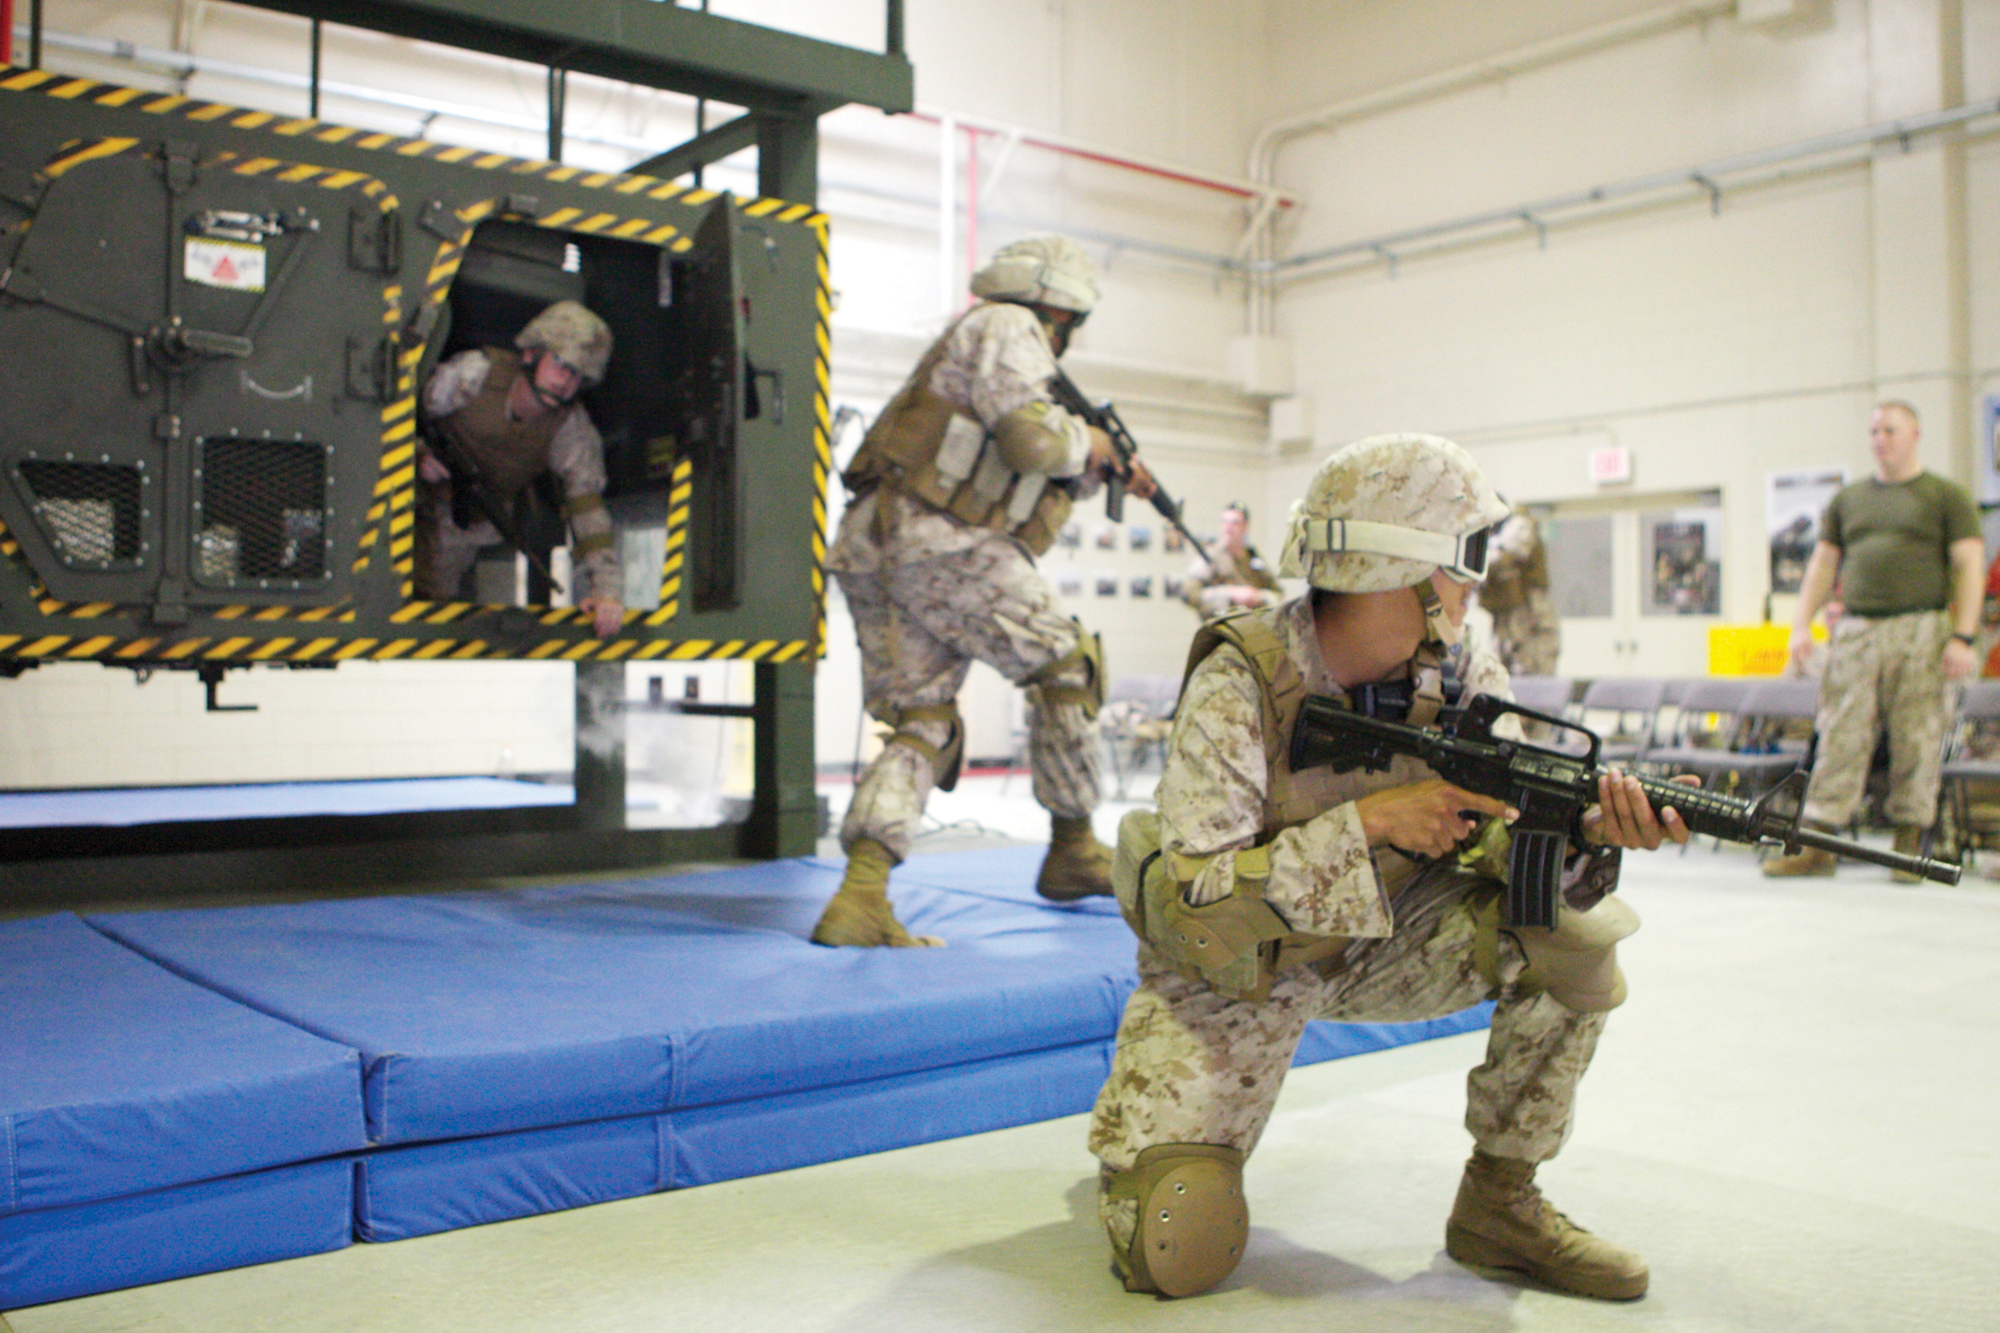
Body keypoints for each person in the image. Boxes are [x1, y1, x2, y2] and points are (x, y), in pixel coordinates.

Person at [1087, 434, 1696, 1303]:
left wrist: (1581, 831)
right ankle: (1139, 1158)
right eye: (1464, 561)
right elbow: (1194, 908)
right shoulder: (1242, 679)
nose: (1474, 586)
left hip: (1390, 936)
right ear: (1399, 573)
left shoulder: (1462, 666)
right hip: (1237, 971)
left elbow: (1502, 838)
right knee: (1176, 1248)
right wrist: (1369, 823)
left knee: (1572, 935)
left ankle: (1501, 1201)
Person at [815, 236, 1156, 948]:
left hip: (877, 541)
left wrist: (1100, 469)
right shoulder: (1007, 324)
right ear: (1058, 302)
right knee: (1066, 663)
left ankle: (861, 894)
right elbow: (1032, 441)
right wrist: (1090, 444)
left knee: (923, 721)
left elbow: (1010, 462)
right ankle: (1071, 845)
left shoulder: (977, 341)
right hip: (938, 539)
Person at [1763, 401, 1982, 879]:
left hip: (1921, 629)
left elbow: (1969, 565)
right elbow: (1823, 564)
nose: (1881, 438)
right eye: (1874, 431)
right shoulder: (1850, 500)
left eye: (1890, 429)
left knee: (1917, 736)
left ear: (1915, 433)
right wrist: (1801, 626)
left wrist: (1963, 636)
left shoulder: (1945, 496)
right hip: (1857, 631)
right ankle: (1817, 844)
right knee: (1839, 733)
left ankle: (1908, 846)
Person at [415, 300, 625, 640]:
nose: (567, 382)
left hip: (459, 526)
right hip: (398, 492)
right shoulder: (475, 374)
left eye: (579, 376)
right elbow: (393, 412)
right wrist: (416, 455)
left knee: (429, 610)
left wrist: (607, 593)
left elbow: (588, 513)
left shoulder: (571, 429)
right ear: (531, 353)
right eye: (562, 365)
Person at [1473, 511, 1560, 676]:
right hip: (1505, 622)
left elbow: (1502, 557)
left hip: (1530, 620)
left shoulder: (1519, 524)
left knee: (1532, 683)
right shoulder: (1490, 533)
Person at [1181, 502, 1282, 621]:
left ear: (1245, 527)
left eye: (1235, 522)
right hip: (1220, 631)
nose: (1228, 527)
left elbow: (1278, 595)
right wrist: (1229, 594)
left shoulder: (1253, 558)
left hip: (1250, 629)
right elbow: (1189, 594)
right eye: (1224, 521)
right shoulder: (1210, 557)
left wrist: (1259, 597)